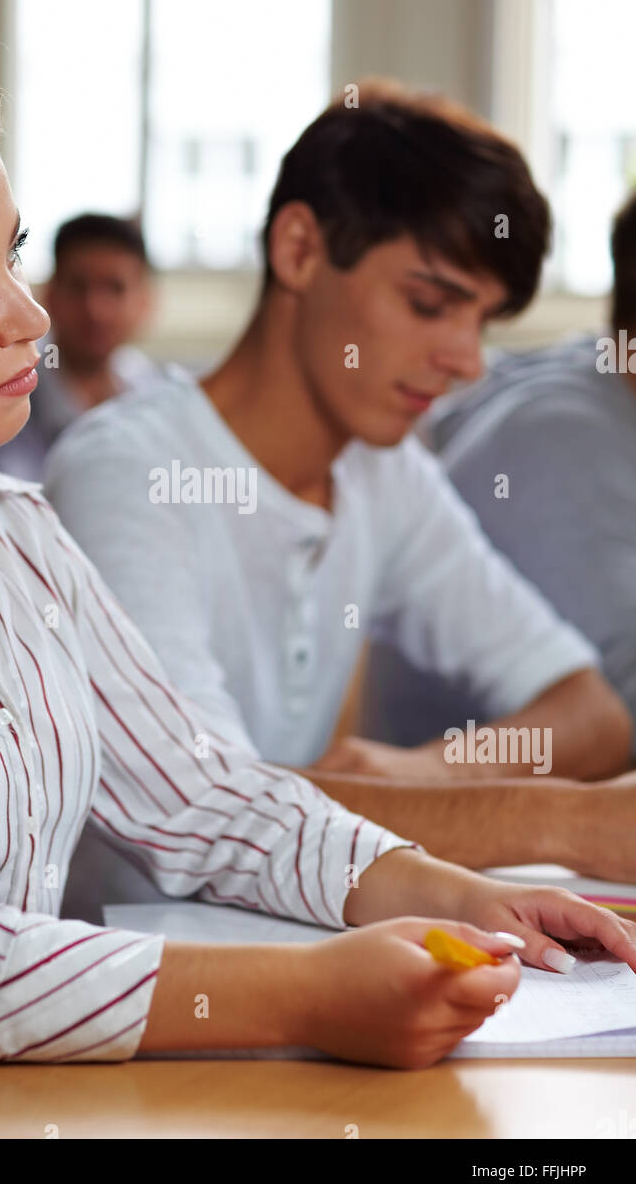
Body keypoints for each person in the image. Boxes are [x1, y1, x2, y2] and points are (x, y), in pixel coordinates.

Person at [0, 41, 635, 1079]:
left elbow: (197, 791)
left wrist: (447, 890)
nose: (33, 320)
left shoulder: (9, 532)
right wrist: (302, 994)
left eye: (13, 258)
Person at [44, 82, 636, 916]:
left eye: (484, 320)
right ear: (298, 250)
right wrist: (559, 820)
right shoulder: (127, 473)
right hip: (145, 1001)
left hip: (307, 968)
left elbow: (589, 711)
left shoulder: (381, 471)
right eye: (429, 304)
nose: (468, 360)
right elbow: (210, 807)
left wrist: (425, 772)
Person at [359, 189, 636, 754]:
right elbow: (620, 711)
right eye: (427, 303)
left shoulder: (598, 380)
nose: (466, 357)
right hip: (446, 824)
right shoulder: (560, 438)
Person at [0, 213, 160, 480]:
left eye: (115, 288)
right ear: (50, 295)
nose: (96, 310)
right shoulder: (9, 384)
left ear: (144, 302)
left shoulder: (147, 387)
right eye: (78, 287)